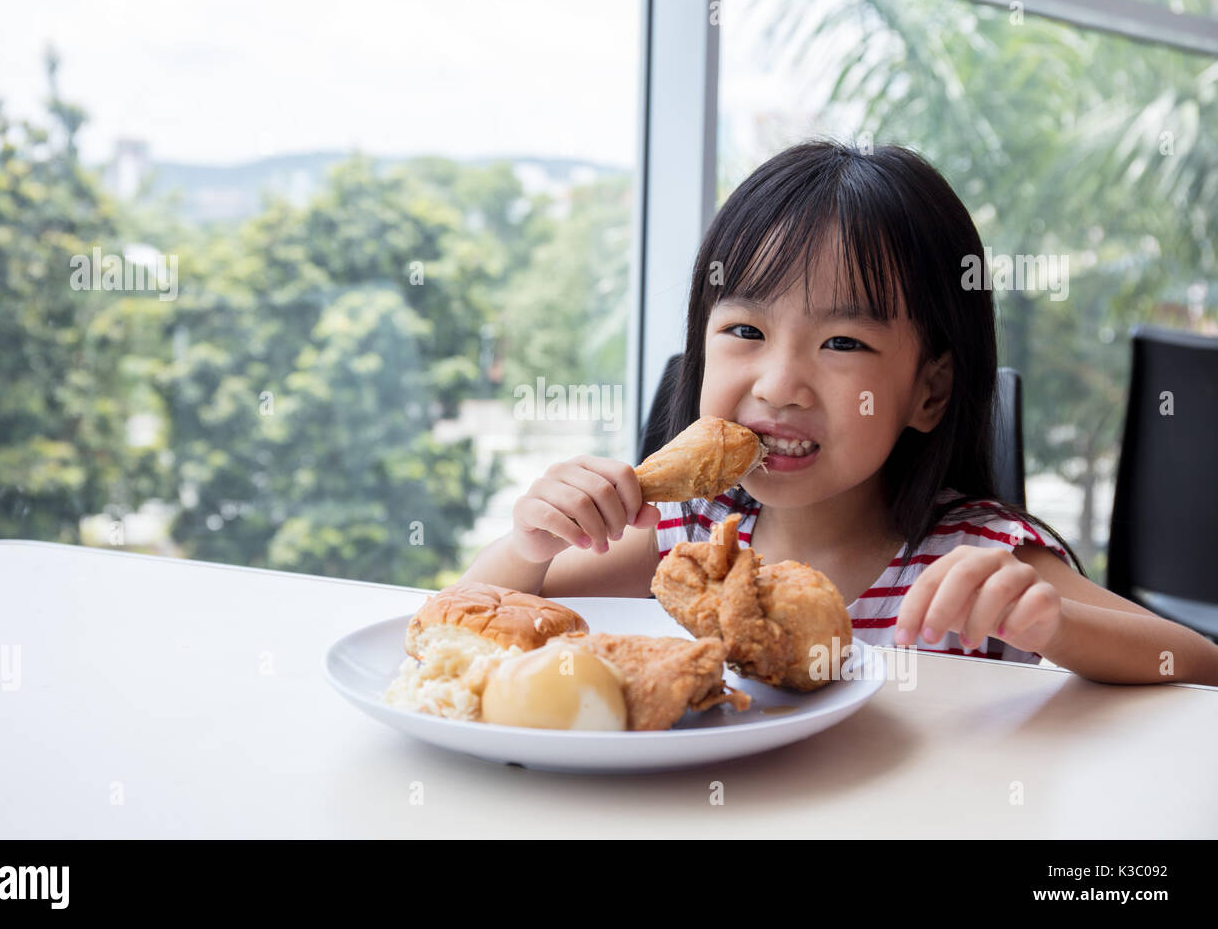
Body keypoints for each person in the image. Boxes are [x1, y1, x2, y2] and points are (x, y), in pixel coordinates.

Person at [459, 138, 1218, 687]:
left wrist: (1052, 623)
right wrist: (531, 541)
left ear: (929, 392)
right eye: (746, 332)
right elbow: (471, 621)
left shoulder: (975, 557)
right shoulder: (694, 538)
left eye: (843, 341)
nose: (781, 383)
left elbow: (1196, 665)